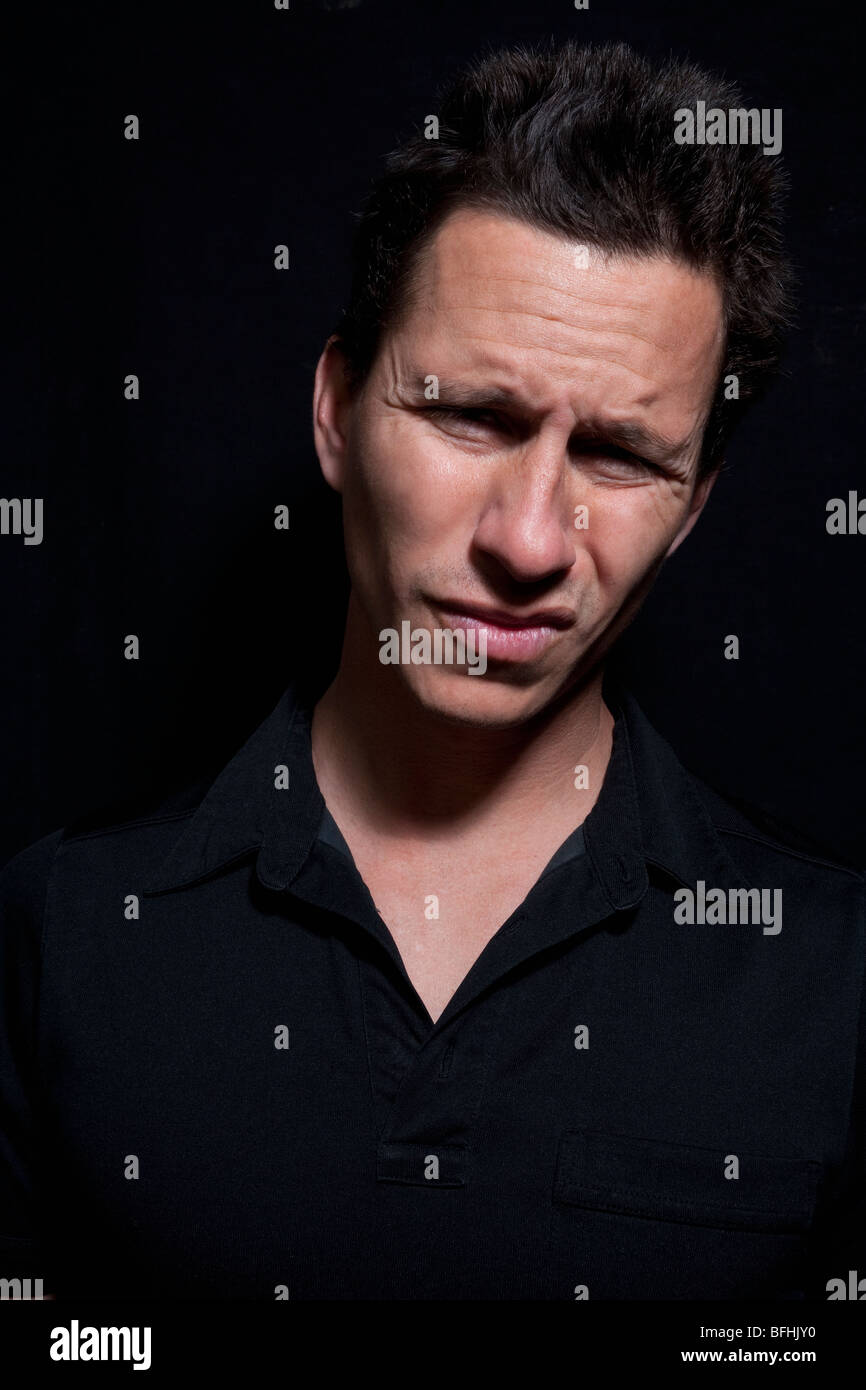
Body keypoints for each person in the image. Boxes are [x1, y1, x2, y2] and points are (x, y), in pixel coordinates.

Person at [1, 38, 863, 1301]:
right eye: (469, 416)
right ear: (336, 406)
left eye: (620, 456)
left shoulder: (834, 978)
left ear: (689, 511)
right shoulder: (59, 932)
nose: (525, 540)